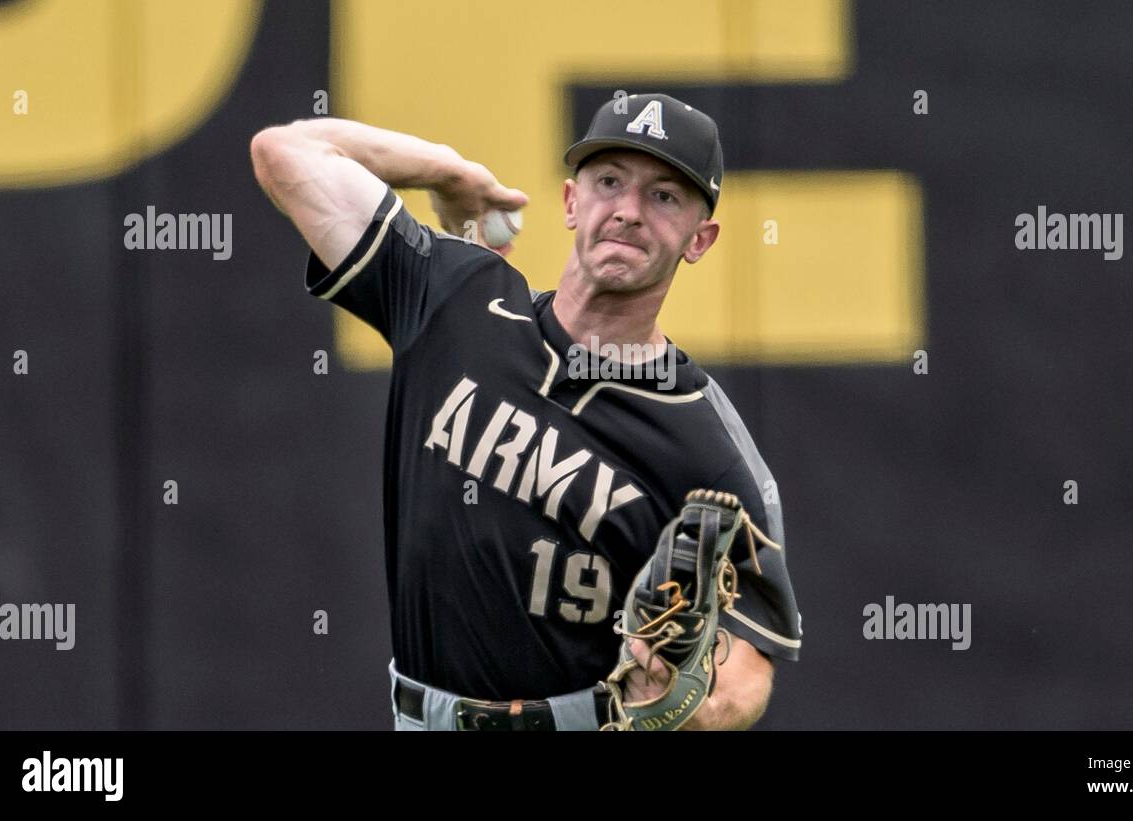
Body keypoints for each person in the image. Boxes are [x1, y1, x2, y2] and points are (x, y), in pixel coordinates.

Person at [249, 92, 802, 730]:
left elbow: (750, 665)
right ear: (571, 201)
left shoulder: (709, 449)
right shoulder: (453, 298)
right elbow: (285, 153)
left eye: (664, 196)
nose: (627, 211)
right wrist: (447, 171)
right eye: (609, 182)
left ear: (700, 240)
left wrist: (687, 708)